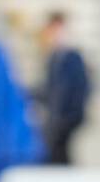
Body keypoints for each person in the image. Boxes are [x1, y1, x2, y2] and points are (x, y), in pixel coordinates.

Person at [37, 12, 90, 165]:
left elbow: (71, 89)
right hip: (58, 117)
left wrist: (65, 116)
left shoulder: (71, 56)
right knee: (58, 153)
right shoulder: (55, 57)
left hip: (67, 117)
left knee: (59, 152)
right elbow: (50, 89)